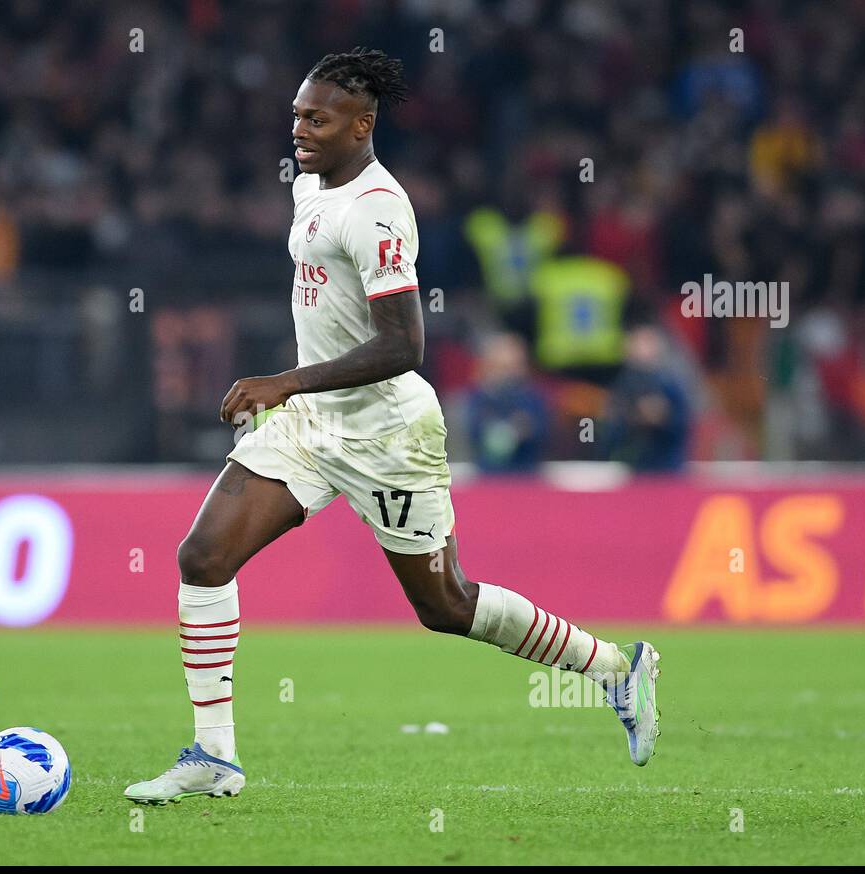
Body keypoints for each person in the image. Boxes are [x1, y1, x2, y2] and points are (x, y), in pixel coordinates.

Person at [125, 50, 660, 805]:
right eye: (297, 116)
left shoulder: (377, 210)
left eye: (316, 118)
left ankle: (615, 667)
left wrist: (283, 380)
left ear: (362, 124)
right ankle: (215, 759)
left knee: (445, 606)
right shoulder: (312, 186)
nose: (299, 130)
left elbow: (403, 346)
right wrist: (295, 394)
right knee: (203, 556)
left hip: (388, 433)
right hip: (312, 425)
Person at [604, 324, 691, 472]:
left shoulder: (670, 385)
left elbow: (684, 426)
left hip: (667, 469)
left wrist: (664, 418)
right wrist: (632, 417)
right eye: (637, 343)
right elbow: (610, 432)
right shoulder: (622, 387)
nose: (642, 350)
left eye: (647, 343)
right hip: (632, 470)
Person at [465, 332, 550, 472]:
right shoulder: (478, 398)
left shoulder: (533, 397)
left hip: (527, 476)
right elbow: (475, 432)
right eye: (501, 367)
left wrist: (524, 429)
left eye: (512, 367)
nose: (507, 375)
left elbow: (542, 431)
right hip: (488, 479)